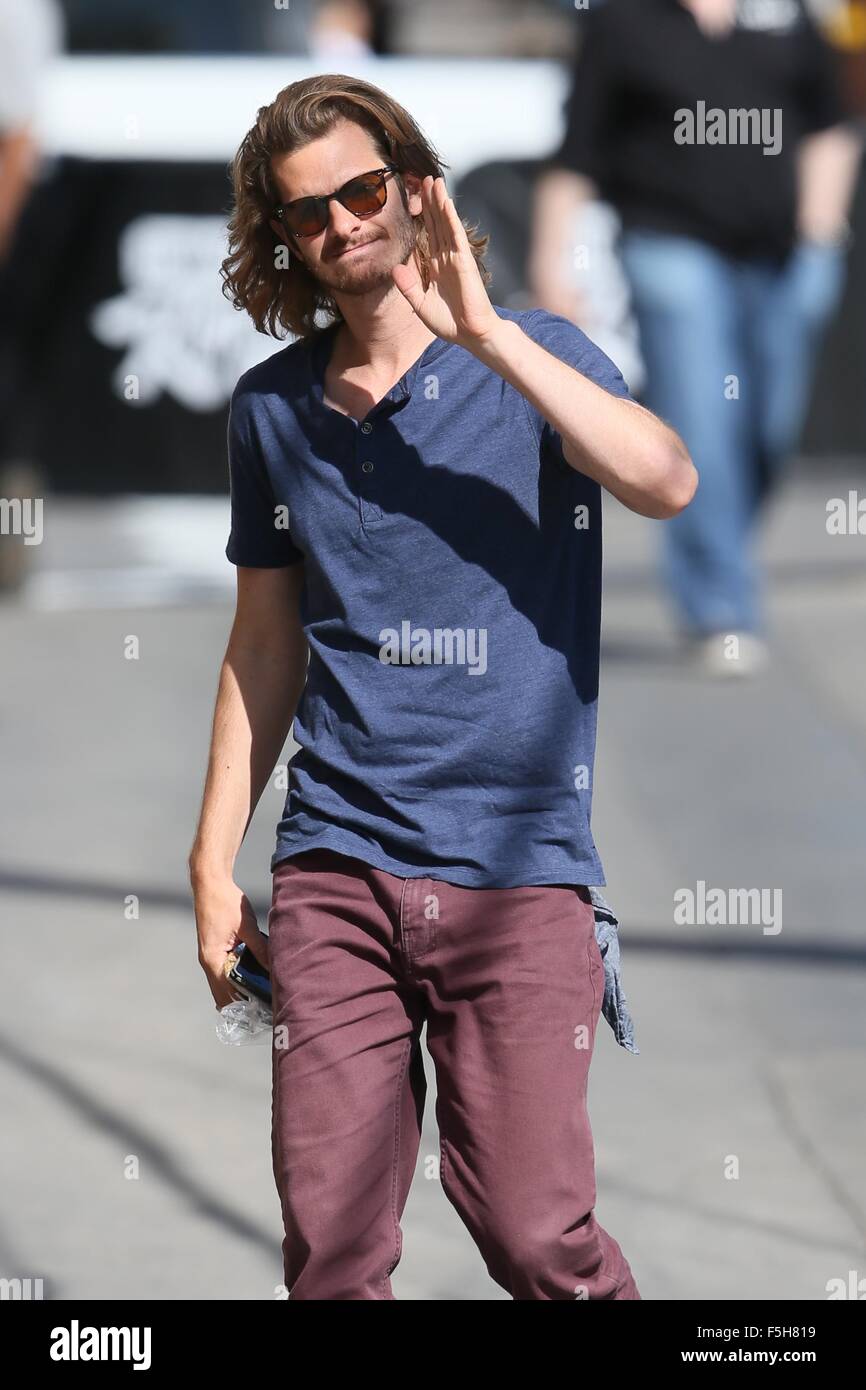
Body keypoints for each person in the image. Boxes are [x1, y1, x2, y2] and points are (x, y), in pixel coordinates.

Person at [189, 72, 696, 1300]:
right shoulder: (272, 414)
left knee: (535, 1237)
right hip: (336, 871)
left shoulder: (537, 362)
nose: (343, 224)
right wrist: (212, 865)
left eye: (364, 190)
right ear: (285, 239)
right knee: (333, 1249)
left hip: (519, 875)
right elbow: (264, 643)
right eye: (309, 213)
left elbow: (664, 480)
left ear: (415, 190)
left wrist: (492, 340)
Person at [530, 0, 862, 675]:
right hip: (669, 247)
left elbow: (831, 125)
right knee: (704, 421)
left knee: (769, 425)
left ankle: (720, 541)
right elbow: (577, 150)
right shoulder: (622, 22)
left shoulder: (786, 16)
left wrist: (823, 224)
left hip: (785, 255)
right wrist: (550, 260)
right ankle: (723, 607)